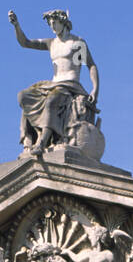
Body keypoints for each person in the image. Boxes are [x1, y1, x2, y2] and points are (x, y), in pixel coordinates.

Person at [8, 8, 99, 155]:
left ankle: (42, 142)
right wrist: (16, 25)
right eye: (50, 24)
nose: (52, 27)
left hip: (70, 85)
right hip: (53, 84)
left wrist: (95, 89)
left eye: (55, 23)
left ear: (63, 22)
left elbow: (90, 65)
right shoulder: (51, 43)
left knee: (51, 100)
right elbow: (25, 42)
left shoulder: (77, 43)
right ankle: (27, 140)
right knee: (23, 96)